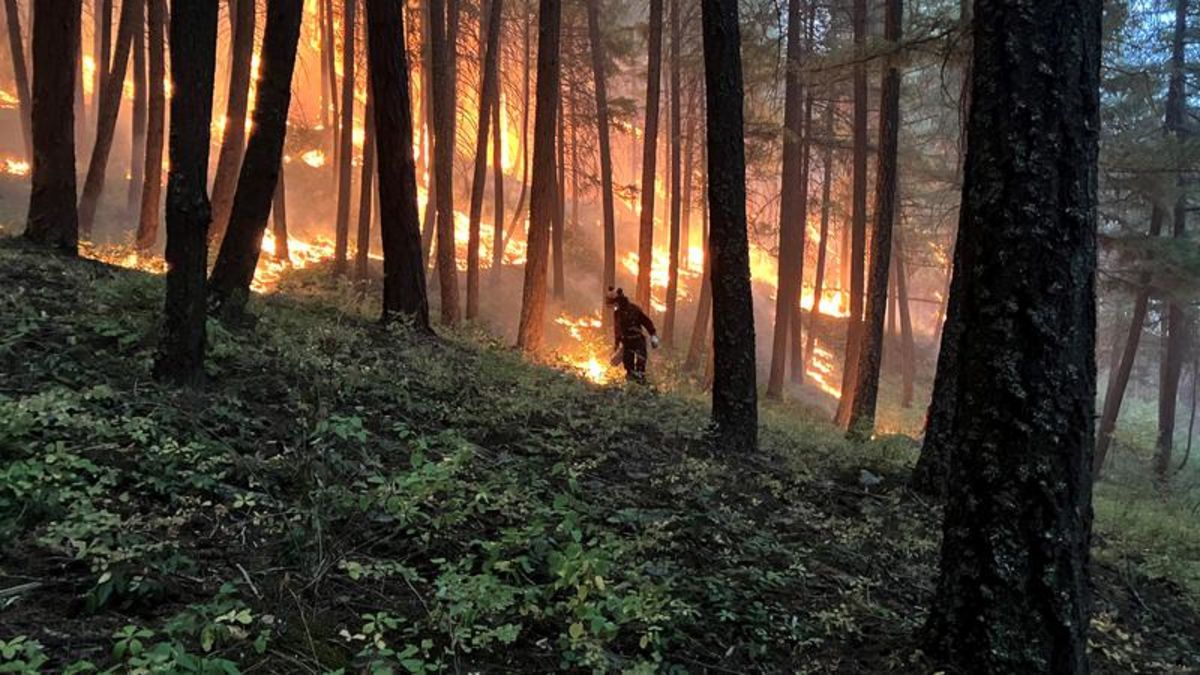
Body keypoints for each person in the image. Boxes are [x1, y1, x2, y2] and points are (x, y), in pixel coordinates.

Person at [606, 287, 659, 382]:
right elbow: (617, 330)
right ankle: (631, 385)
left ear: (618, 302)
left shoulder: (634, 309)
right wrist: (617, 345)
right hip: (627, 343)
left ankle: (641, 384)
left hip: (638, 341)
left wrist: (653, 334)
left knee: (640, 365)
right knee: (629, 368)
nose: (614, 307)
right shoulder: (617, 313)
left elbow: (646, 322)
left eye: (614, 304)